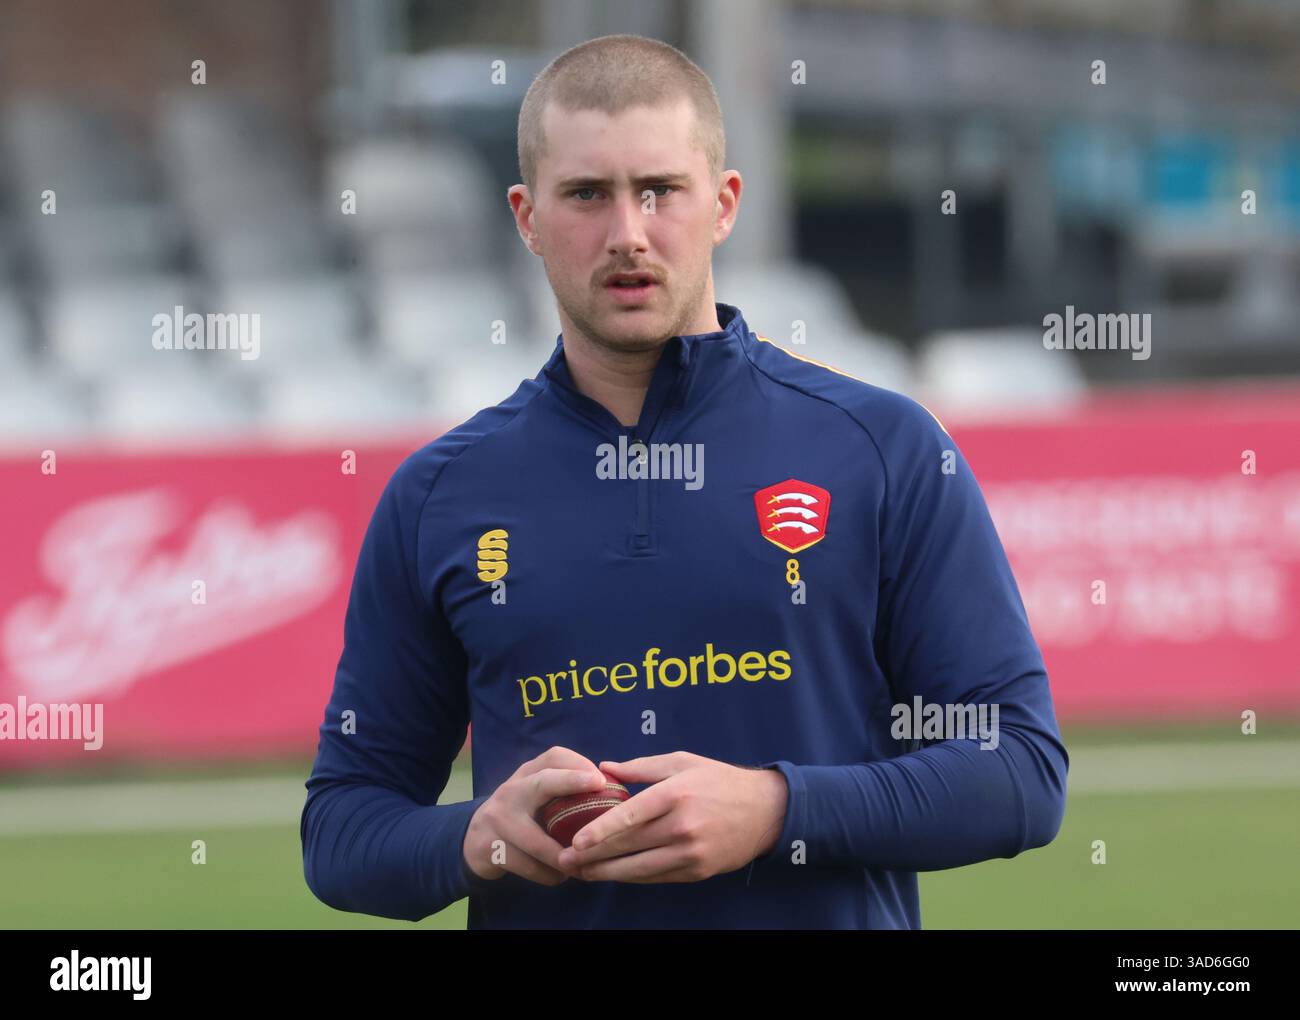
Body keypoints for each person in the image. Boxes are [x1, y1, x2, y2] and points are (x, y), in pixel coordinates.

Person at [301, 33, 1067, 929]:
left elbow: (1018, 770)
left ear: (723, 203)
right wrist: (478, 837)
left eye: (659, 190)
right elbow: (341, 829)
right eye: (586, 194)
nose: (628, 232)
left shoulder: (882, 448)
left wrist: (778, 811)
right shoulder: (440, 495)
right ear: (527, 216)